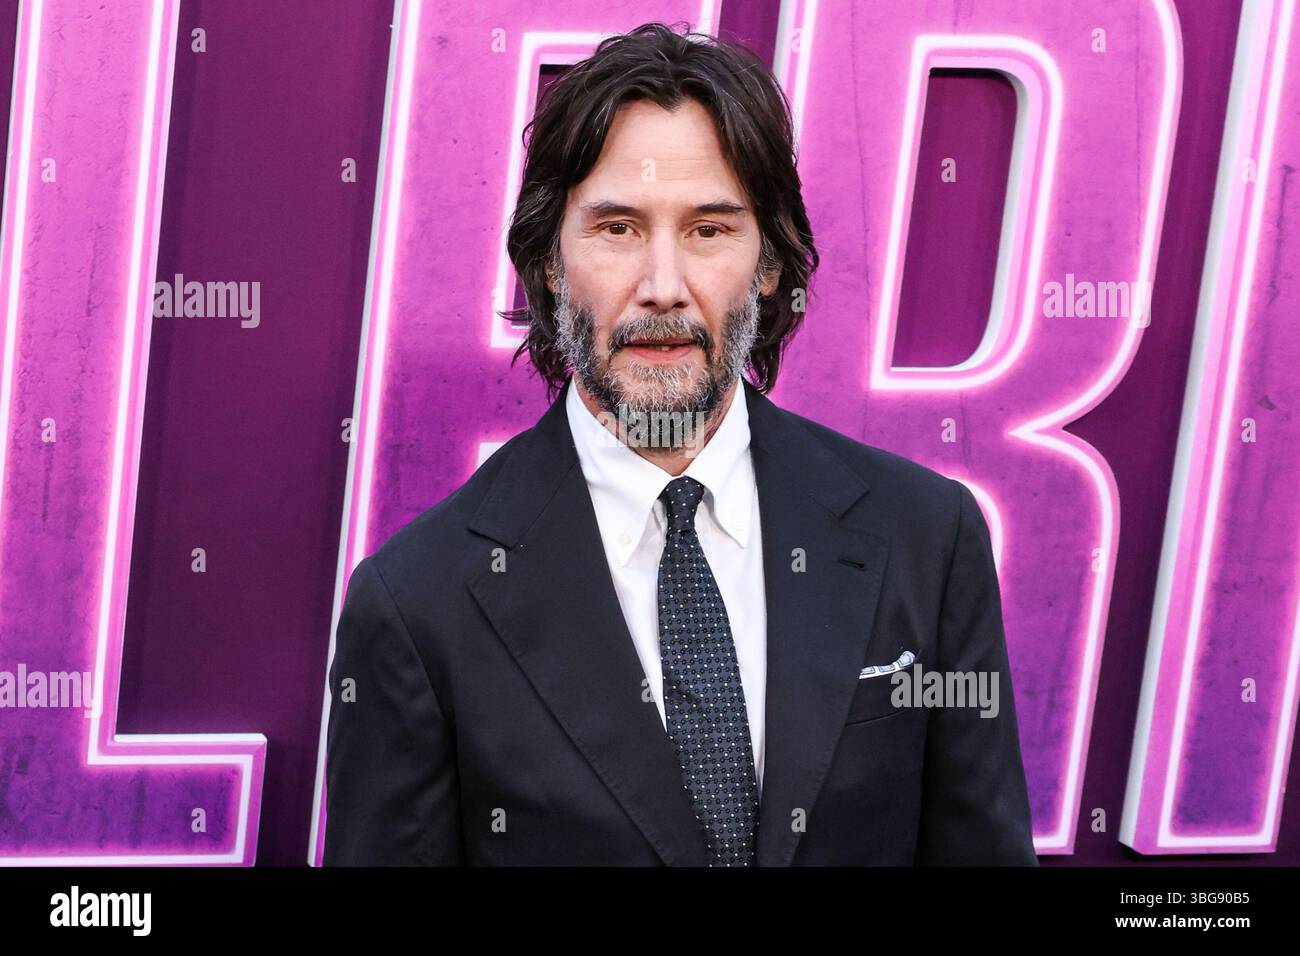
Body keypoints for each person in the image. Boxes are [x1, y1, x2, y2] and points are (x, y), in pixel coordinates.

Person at [323, 21, 1037, 866]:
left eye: (709, 230)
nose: (663, 287)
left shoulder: (929, 536)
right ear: (551, 262)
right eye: (618, 228)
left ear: (769, 262)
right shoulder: (417, 605)